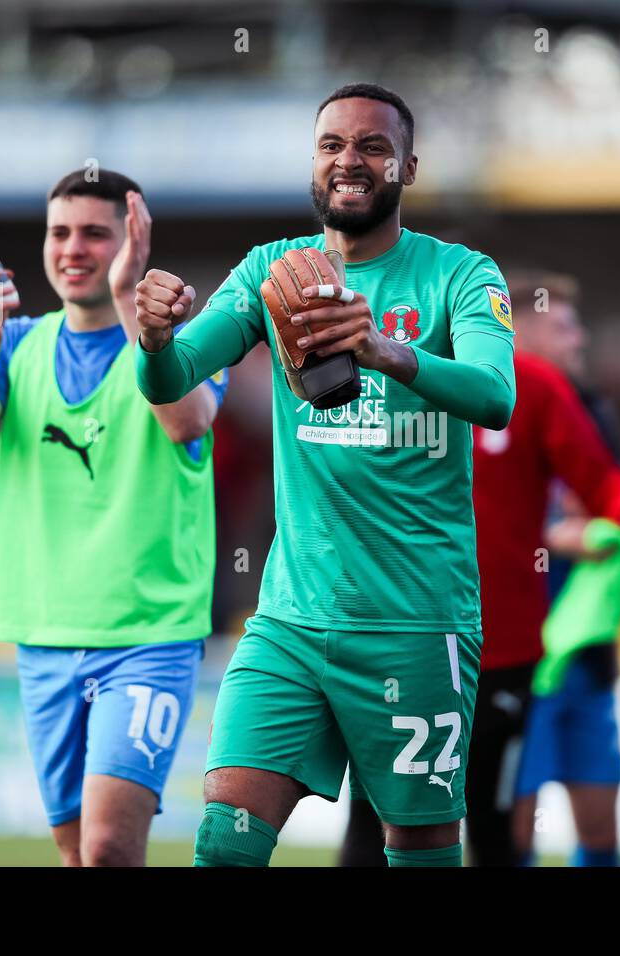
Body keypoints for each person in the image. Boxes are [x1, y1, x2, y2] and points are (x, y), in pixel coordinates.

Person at [133, 83, 516, 867]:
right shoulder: (274, 271)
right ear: (314, 163)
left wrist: (383, 351)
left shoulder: (461, 275)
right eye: (332, 145)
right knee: (224, 841)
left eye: (373, 146)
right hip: (292, 622)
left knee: (418, 849)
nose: (351, 160)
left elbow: (495, 395)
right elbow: (173, 383)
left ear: (407, 165)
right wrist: (154, 338)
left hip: (417, 624)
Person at [338, 272, 620, 866]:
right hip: (398, 640)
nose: (579, 339)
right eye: (561, 324)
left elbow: (602, 485)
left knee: (495, 828)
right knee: (377, 823)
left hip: (504, 652)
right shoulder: (395, 377)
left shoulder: (540, 389)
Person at [0, 168, 224, 866]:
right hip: (46, 635)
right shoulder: (19, 344)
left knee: (111, 846)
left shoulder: (184, 339)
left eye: (96, 233)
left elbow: (186, 422)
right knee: (77, 854)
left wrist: (129, 300)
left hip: (148, 635)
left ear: (133, 243)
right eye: (61, 232)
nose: (74, 248)